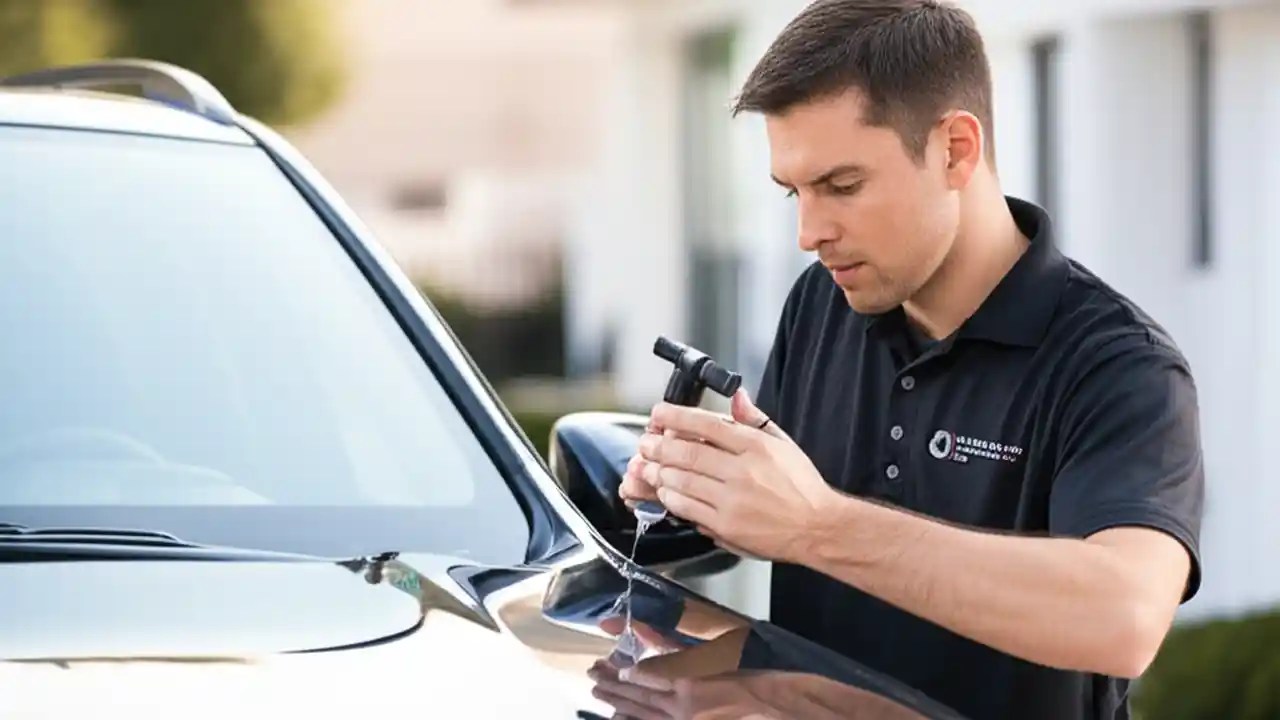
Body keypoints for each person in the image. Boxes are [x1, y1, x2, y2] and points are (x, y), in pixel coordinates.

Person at [618, 1, 1205, 718]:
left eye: (842, 186)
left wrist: (820, 526)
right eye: (793, 193)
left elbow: (1124, 617)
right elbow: (785, 510)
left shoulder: (1119, 367)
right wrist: (701, 492)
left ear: (956, 149)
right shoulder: (821, 303)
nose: (810, 232)